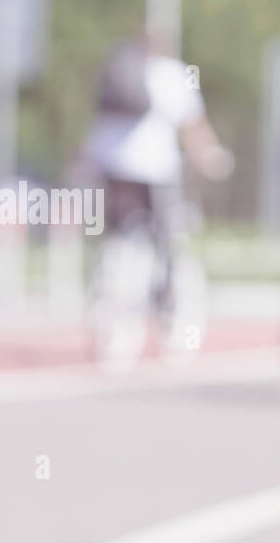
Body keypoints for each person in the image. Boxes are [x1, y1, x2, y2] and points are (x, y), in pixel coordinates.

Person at [83, 31, 233, 337]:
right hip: (155, 170)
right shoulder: (174, 75)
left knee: (117, 231)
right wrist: (212, 158)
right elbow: (193, 127)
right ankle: (165, 301)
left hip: (110, 167)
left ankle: (105, 288)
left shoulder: (118, 71)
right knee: (168, 239)